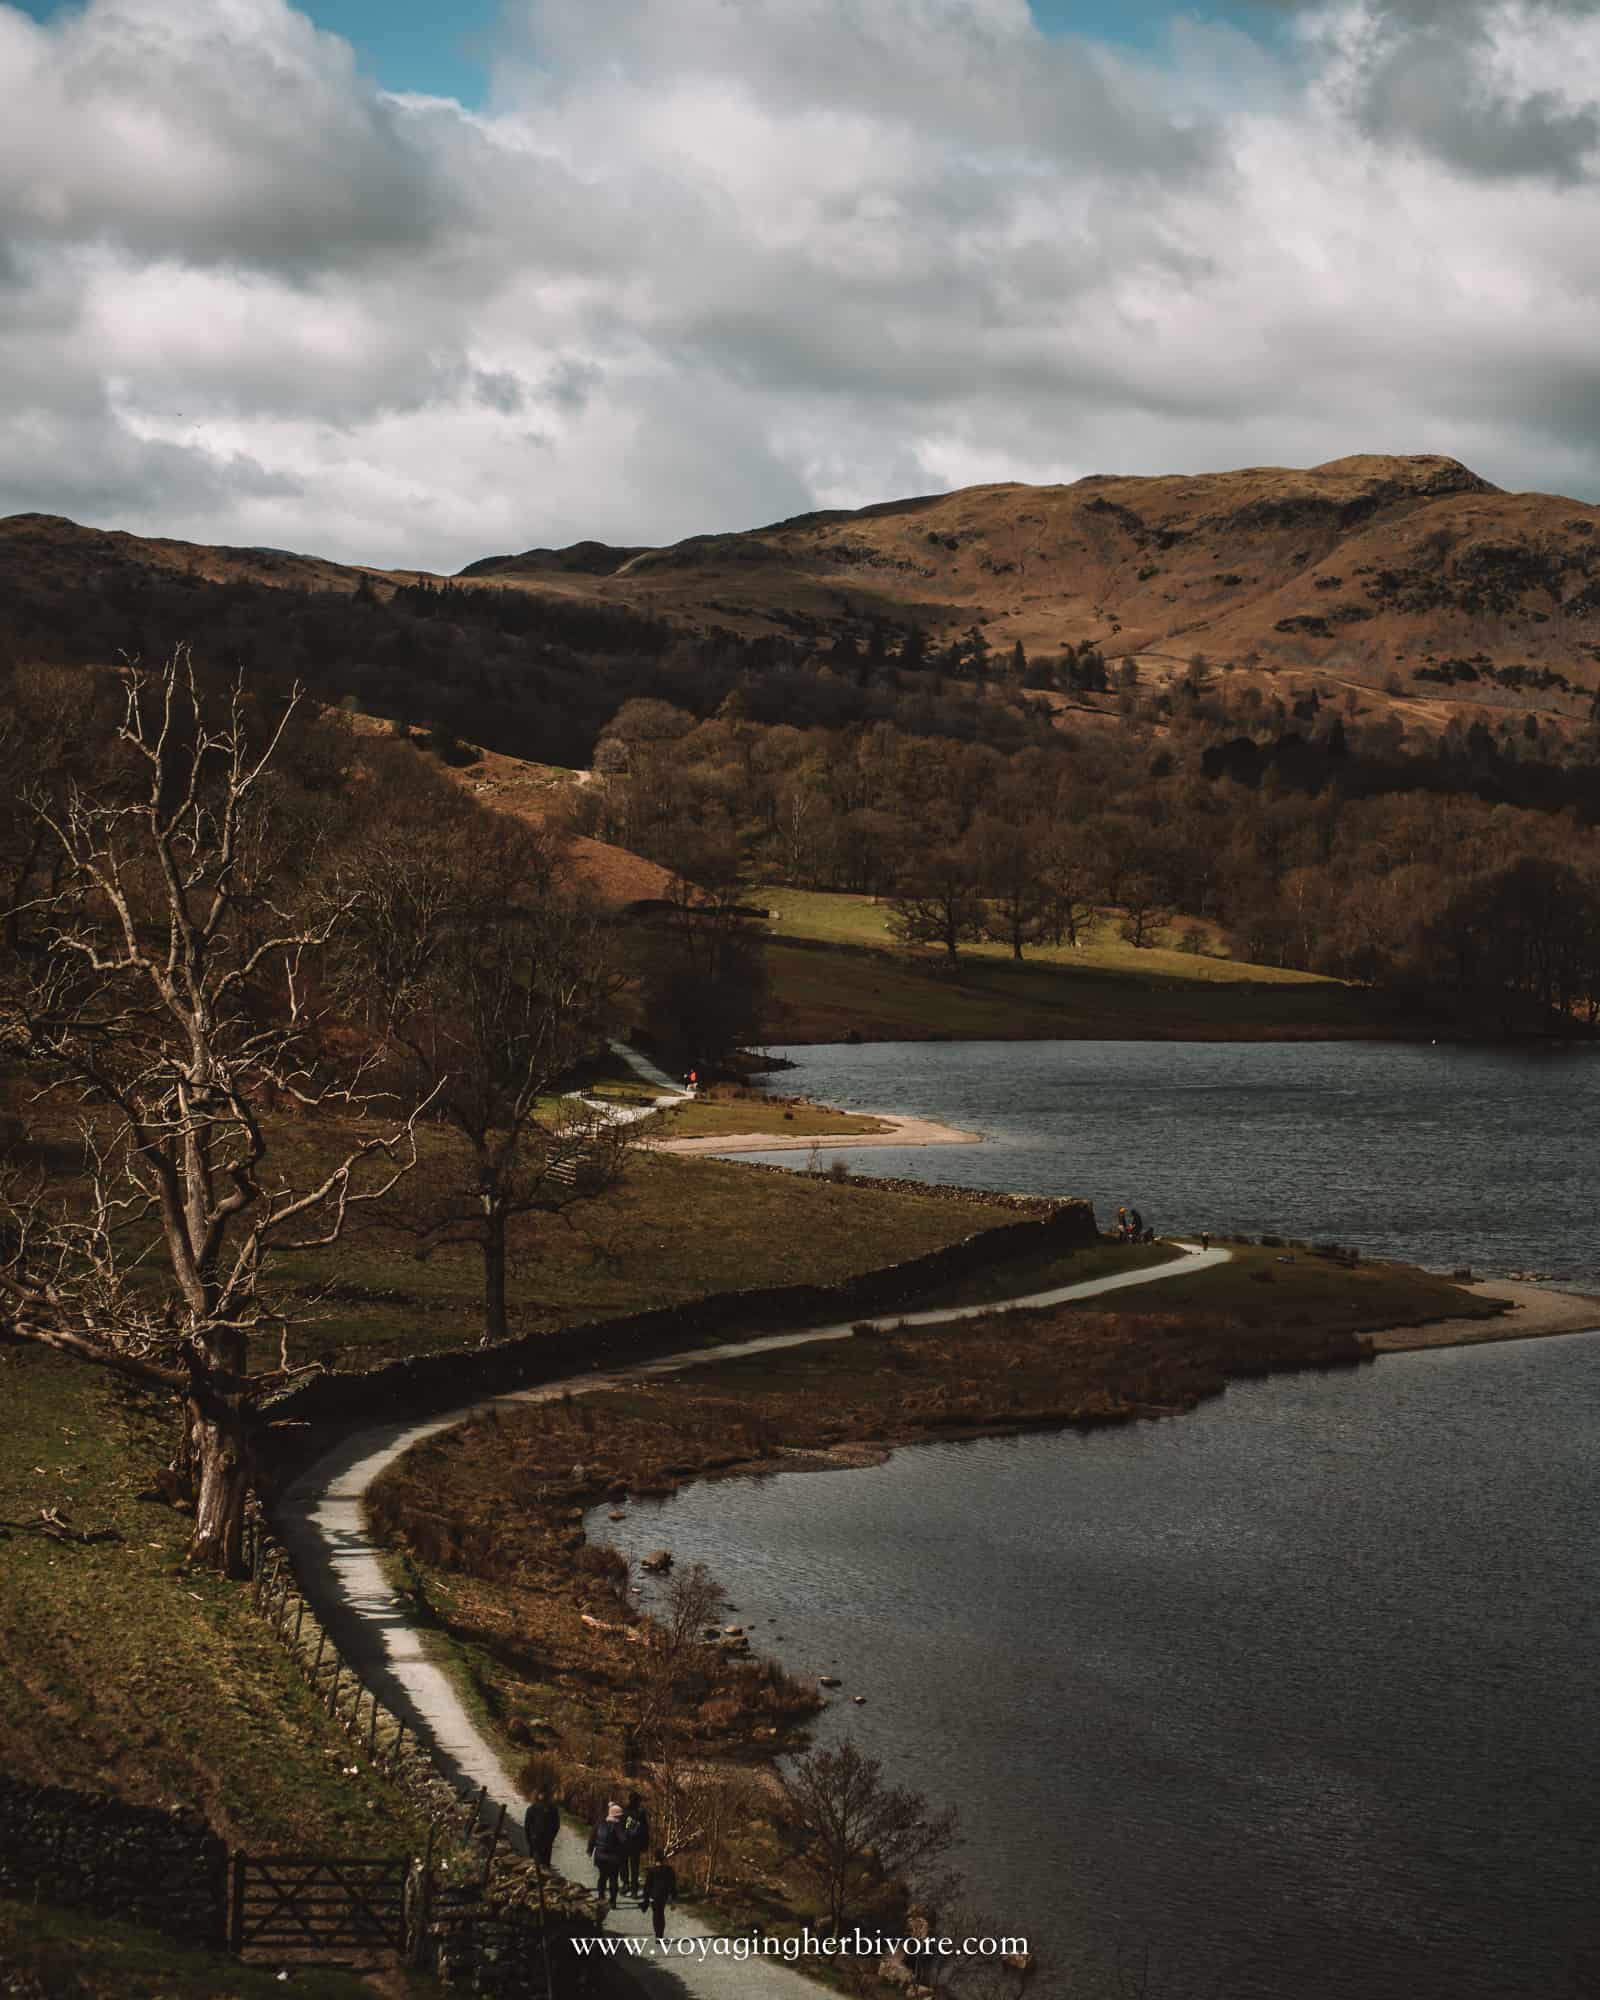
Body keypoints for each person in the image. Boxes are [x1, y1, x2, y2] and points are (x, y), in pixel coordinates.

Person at [588, 1803, 627, 1908]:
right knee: (613, 1879)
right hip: (613, 1858)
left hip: (600, 1856)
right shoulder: (618, 1826)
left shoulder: (600, 1823)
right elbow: (623, 1840)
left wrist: (590, 1850)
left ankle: (601, 1898)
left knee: (602, 1877)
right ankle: (612, 1901)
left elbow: (592, 1837)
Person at [639, 1857, 678, 1943]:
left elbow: (647, 1887)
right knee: (661, 1914)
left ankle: (657, 1935)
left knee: (656, 1914)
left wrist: (645, 1899)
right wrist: (673, 1899)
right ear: (664, 1860)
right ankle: (660, 1936)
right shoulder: (669, 1870)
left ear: (655, 1860)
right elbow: (673, 1885)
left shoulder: (651, 1871)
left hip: (653, 1896)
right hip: (663, 1896)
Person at [621, 1790, 650, 1895]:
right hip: (636, 1844)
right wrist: (645, 1844)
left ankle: (625, 1884)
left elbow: (619, 1827)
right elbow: (645, 1830)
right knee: (635, 1867)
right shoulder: (641, 1813)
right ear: (638, 1801)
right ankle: (634, 1890)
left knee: (623, 1864)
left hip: (624, 1843)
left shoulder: (624, 1811)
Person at [524, 1792, 560, 1871]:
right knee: (545, 1864)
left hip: (535, 1840)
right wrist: (551, 1838)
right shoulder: (553, 1809)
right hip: (546, 1840)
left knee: (534, 1864)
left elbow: (527, 1826)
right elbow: (556, 1826)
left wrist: (529, 1840)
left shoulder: (531, 1809)